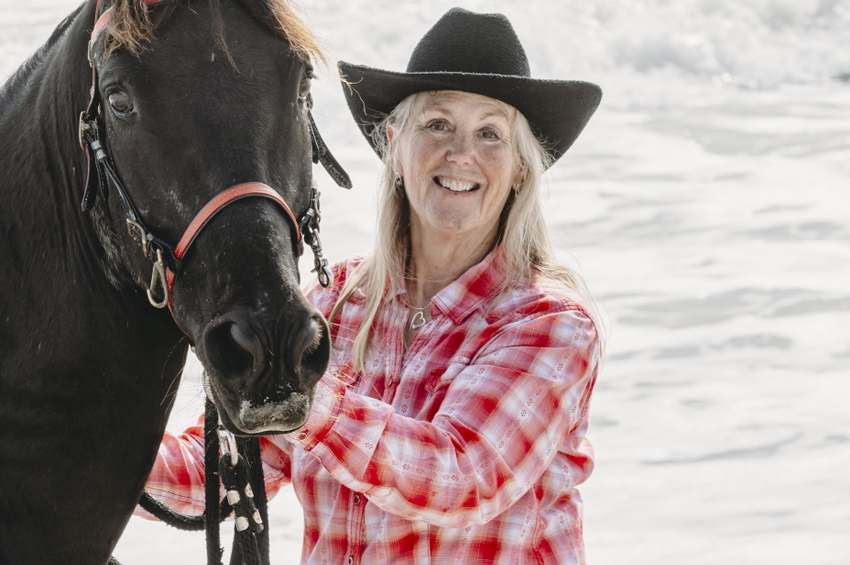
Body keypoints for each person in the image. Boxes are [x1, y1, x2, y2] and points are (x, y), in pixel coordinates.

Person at [143, 8, 603, 565]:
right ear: (395, 143)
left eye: (490, 133)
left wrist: (301, 390)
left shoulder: (549, 325)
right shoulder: (337, 303)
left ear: (520, 170)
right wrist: (79, 449)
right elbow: (226, 471)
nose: (461, 153)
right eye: (437, 124)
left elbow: (462, 478)